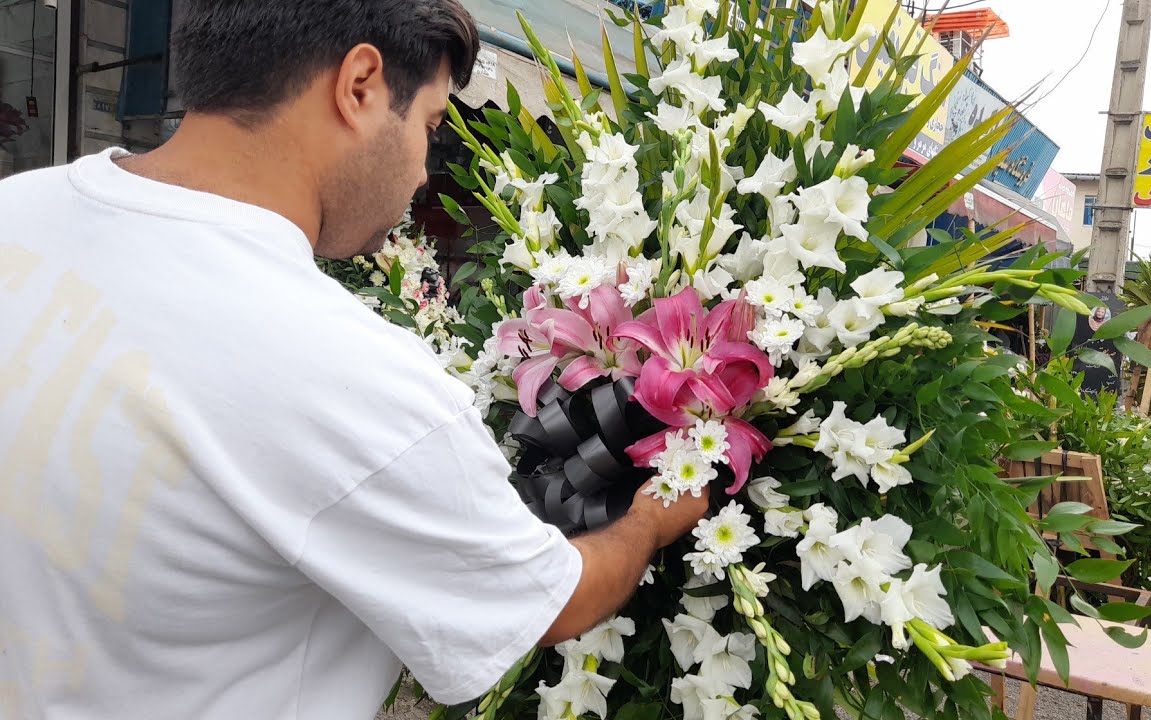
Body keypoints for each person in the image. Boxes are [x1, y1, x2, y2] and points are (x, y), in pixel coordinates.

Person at [0, 2, 707, 718]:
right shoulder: (352, 378)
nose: (426, 174)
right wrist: (651, 519)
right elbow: (549, 601)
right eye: (430, 126)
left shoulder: (15, 212)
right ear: (361, 85)